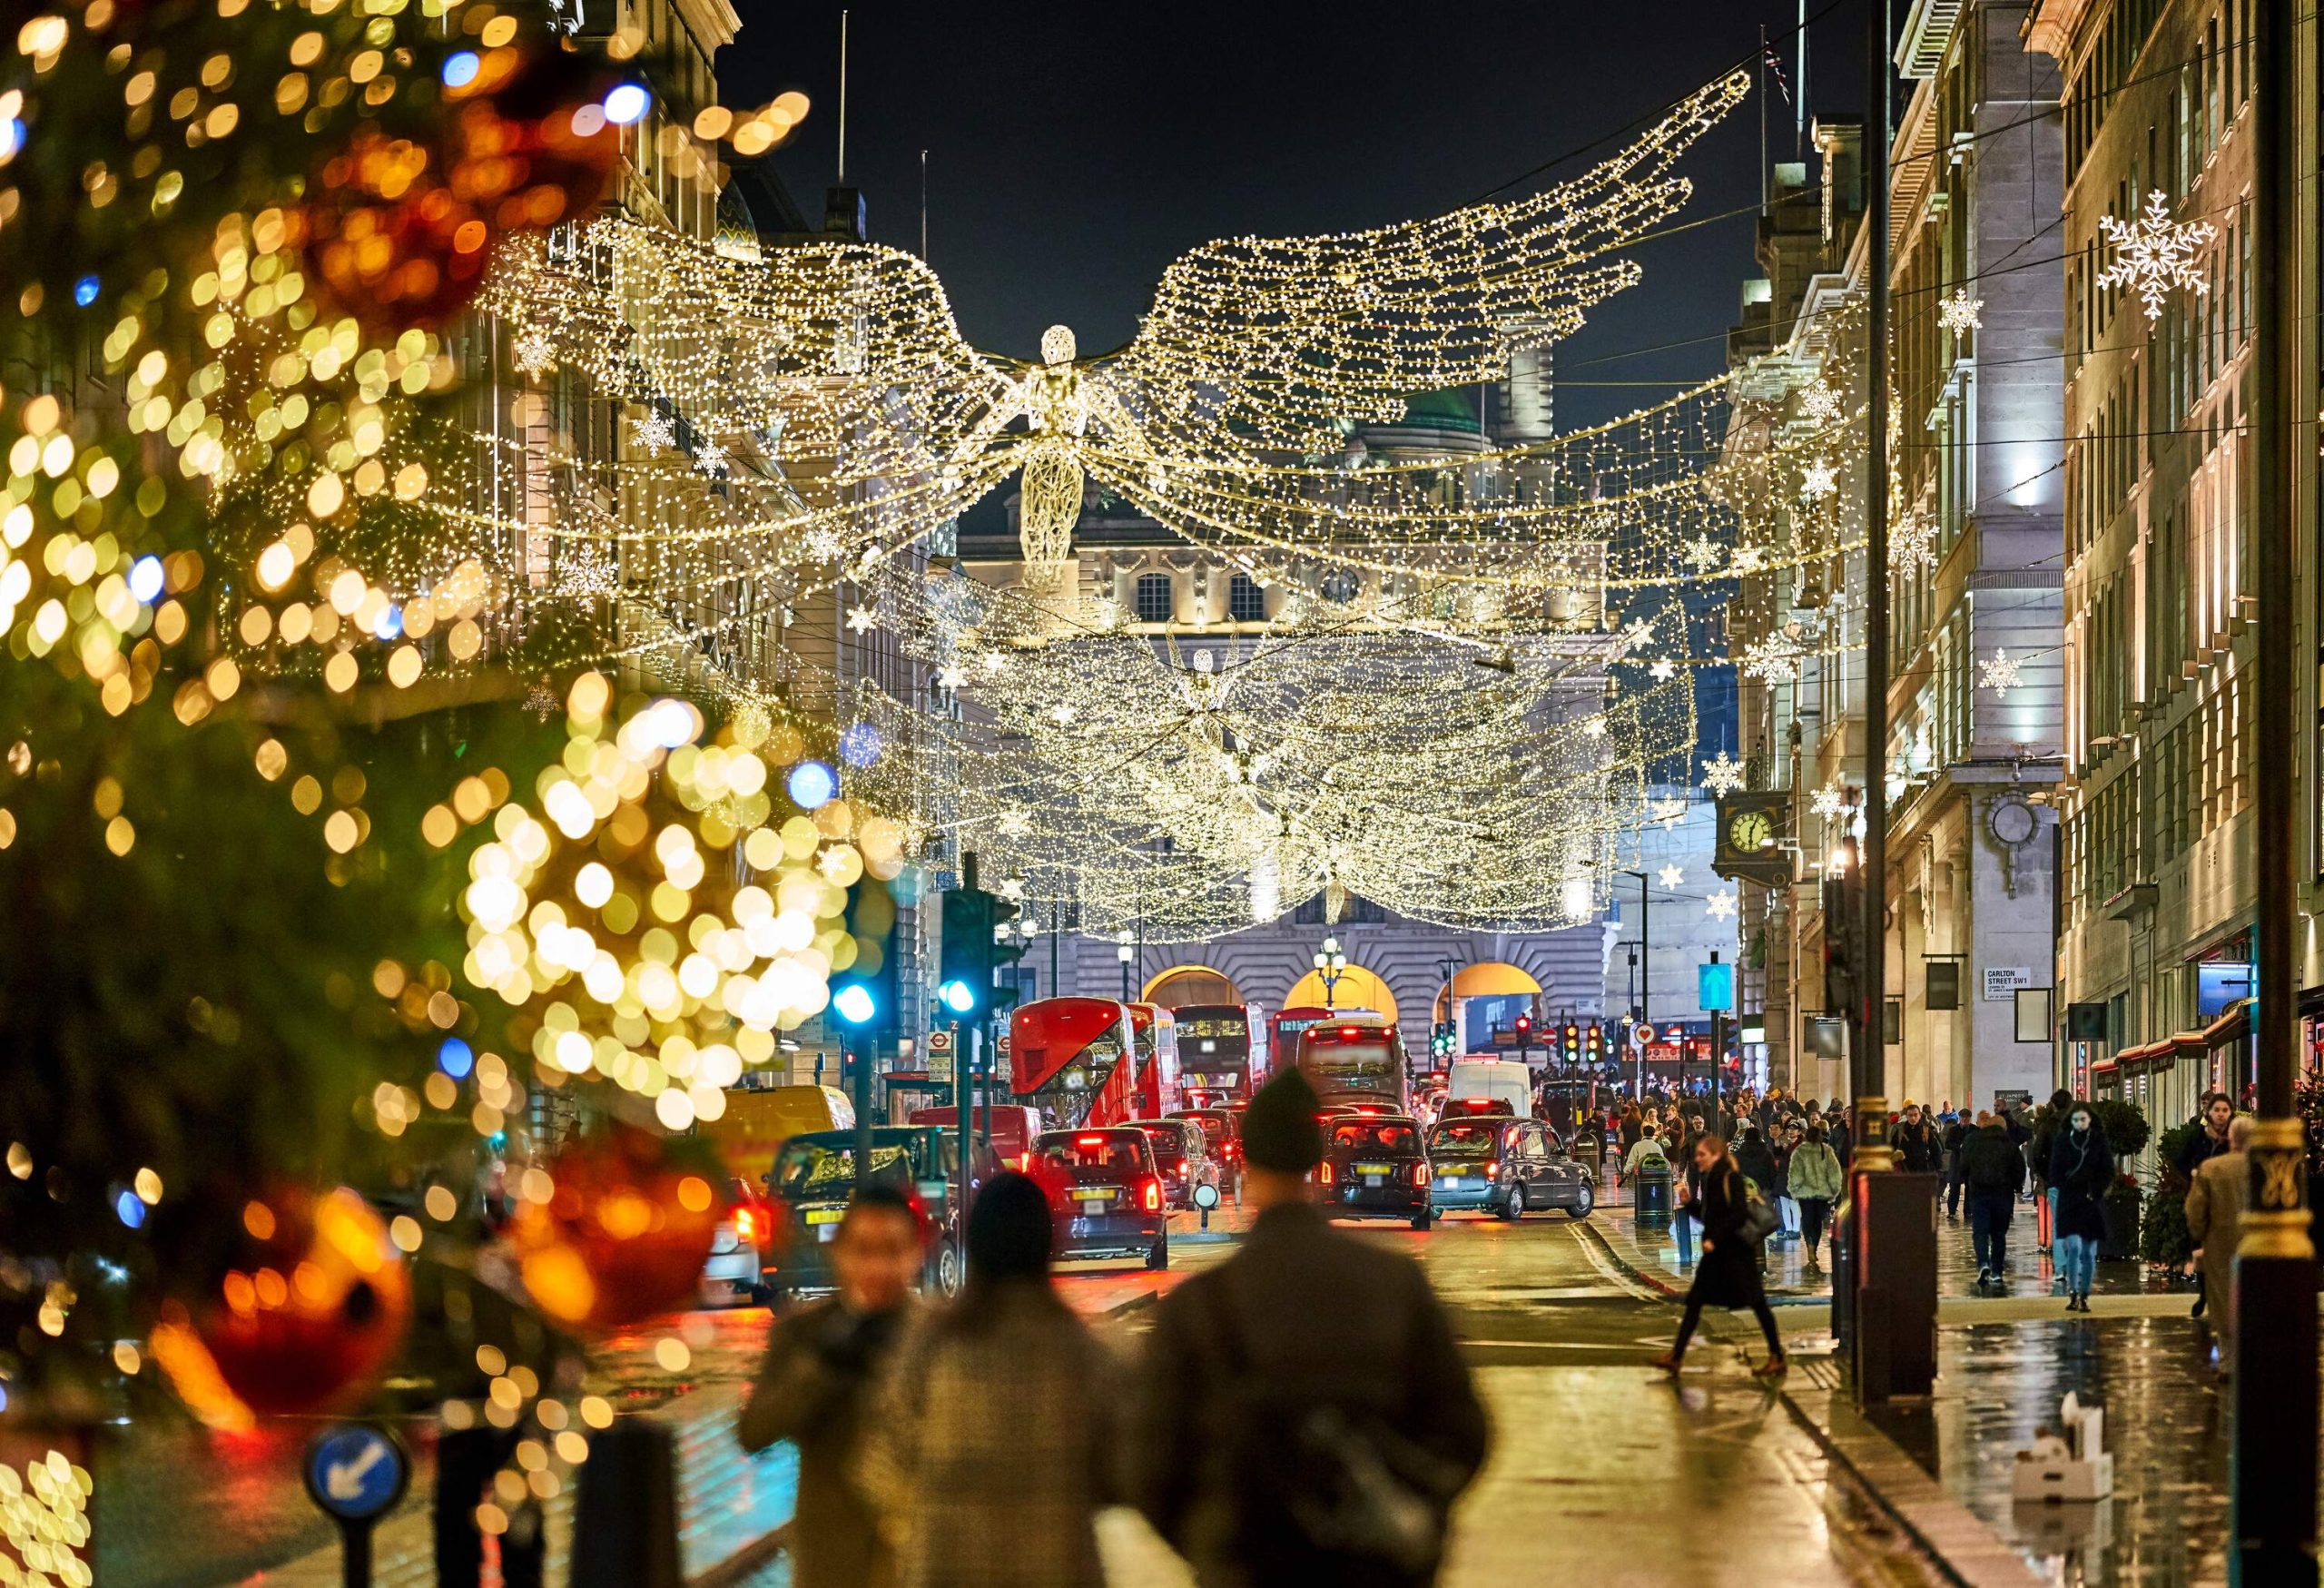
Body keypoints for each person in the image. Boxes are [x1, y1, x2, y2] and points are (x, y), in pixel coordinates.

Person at [1136, 1069, 1489, 1588]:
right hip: (1370, 1568)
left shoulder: (1200, 1305)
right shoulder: (1394, 1283)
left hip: (1249, 1564)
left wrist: (1211, 1545)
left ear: (1247, 1161)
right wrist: (1414, 1508)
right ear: (1314, 1160)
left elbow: (1151, 1463)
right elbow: (1465, 1432)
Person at [862, 1173, 1118, 1588]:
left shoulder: (931, 1347)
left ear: (974, 1247)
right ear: (1048, 1245)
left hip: (944, 1568)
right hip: (1059, 1566)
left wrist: (928, 1510)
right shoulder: (1083, 1352)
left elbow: (880, 1462)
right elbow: (1123, 1469)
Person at [738, 1184, 927, 1588]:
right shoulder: (804, 1334)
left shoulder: (940, 1337)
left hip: (920, 1562)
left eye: (892, 1251)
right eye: (863, 1251)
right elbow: (755, 1431)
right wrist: (824, 1362)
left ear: (915, 1254)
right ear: (839, 1252)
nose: (877, 1268)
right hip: (832, 1564)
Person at [1652, 1134, 1785, 1376]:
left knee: (1757, 1303)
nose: (1697, 1158)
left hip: (1735, 1253)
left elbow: (1737, 1214)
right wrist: (1689, 1203)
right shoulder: (1712, 1177)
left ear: (1716, 1155)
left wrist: (1715, 1239)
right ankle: (1676, 1356)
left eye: (1702, 1154)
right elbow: (1709, 1217)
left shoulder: (1729, 1178)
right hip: (1719, 1255)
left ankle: (1777, 1355)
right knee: (1695, 1302)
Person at [2184, 1114, 2254, 1371]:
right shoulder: (2263, 1168)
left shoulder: (2212, 1169)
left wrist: (2201, 1235)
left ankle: (2227, 1359)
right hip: (2256, 1243)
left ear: (2231, 1138)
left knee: (2223, 1298)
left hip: (2220, 1243)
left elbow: (2195, 1211)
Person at [2048, 1102, 2114, 1311]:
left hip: (2090, 1200)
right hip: (2069, 1199)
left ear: (2090, 1120)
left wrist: (2096, 1190)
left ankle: (2084, 1292)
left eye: (2083, 1119)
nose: (2079, 1123)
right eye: (2075, 1120)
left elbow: (2107, 1169)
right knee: (2074, 1247)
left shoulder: (2098, 1141)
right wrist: (2064, 1185)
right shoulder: (2062, 1140)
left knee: (2087, 1251)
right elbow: (2055, 1169)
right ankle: (2073, 1292)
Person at [1959, 1110, 2026, 1290]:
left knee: (1980, 1232)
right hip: (2002, 1195)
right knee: (1998, 1235)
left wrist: (1969, 1180)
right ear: (2003, 1128)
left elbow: (1963, 1165)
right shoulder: (2010, 1145)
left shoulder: (1974, 1142)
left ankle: (1983, 1263)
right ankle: (1997, 1272)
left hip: (1979, 1193)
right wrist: (2015, 1187)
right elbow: (2019, 1170)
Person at [1787, 1124, 1842, 1274]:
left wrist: (1794, 1189)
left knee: (1807, 1219)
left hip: (1805, 1193)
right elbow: (1834, 1172)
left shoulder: (1800, 1152)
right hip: (1822, 1194)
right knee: (1817, 1221)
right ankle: (1814, 1248)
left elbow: (1795, 1173)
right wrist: (1834, 1189)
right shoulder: (1827, 1150)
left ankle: (1809, 1245)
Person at [2029, 1088, 2073, 1253]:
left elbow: (2038, 1153)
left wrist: (2045, 1175)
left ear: (2053, 1105)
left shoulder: (2048, 1126)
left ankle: (2061, 1262)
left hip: (2055, 1180)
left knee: (2058, 1222)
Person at [1940, 1110, 1972, 1219]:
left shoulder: (1974, 1129)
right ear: (1959, 1118)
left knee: (1970, 1188)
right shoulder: (1953, 1130)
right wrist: (1959, 1146)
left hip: (1969, 1163)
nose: (1964, 1119)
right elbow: (1948, 1144)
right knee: (1954, 1188)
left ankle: (1968, 1211)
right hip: (1957, 1162)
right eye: (1962, 1117)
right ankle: (1952, 1211)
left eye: (1967, 1117)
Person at [1895, 1102, 1940, 1176]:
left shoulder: (1926, 1131)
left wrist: (1936, 1170)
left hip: (1923, 1171)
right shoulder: (1900, 1132)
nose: (1913, 1118)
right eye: (1910, 1115)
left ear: (1920, 1115)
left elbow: (1936, 1151)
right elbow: (1892, 1149)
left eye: (1915, 1115)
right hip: (1904, 1172)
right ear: (1907, 1116)